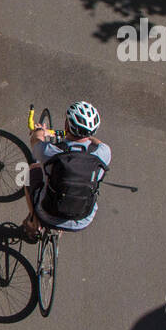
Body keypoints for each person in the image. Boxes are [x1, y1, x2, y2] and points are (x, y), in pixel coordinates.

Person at [21, 100, 111, 241]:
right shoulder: (104, 153)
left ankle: (33, 222)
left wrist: (40, 131)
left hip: (48, 213)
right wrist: (87, 135)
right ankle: (60, 228)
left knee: (28, 172)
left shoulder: (51, 152)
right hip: (83, 219)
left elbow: (35, 140)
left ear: (66, 125)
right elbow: (98, 143)